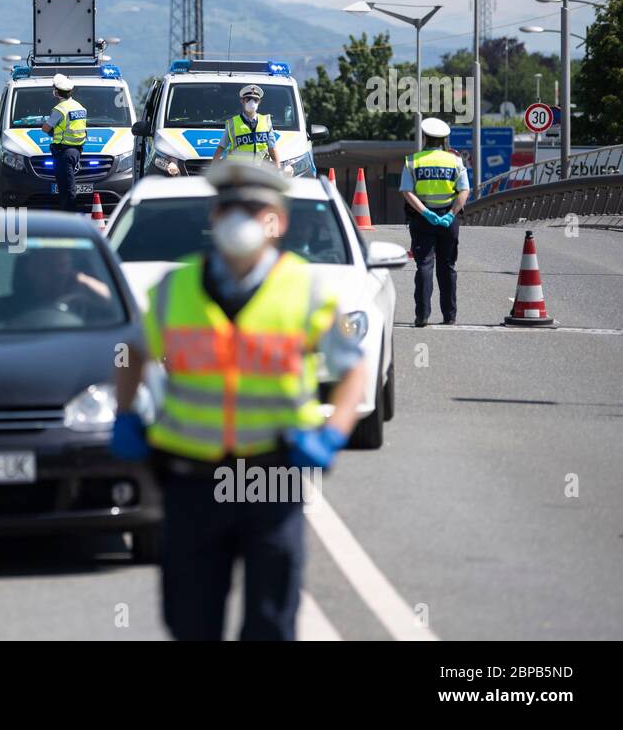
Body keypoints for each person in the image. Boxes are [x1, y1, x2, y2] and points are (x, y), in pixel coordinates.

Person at [111, 161, 367, 641]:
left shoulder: (307, 289)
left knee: (271, 619)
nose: (239, 218)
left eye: (253, 209)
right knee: (189, 620)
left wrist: (333, 435)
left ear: (278, 221)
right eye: (229, 207)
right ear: (214, 215)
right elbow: (132, 352)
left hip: (272, 475)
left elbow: (353, 367)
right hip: (191, 478)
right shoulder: (175, 287)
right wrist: (125, 416)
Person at [400, 116, 469, 327]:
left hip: (422, 219)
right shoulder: (455, 161)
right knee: (447, 266)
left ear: (425, 137)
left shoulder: (413, 161)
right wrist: (451, 214)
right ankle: (449, 316)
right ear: (444, 140)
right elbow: (464, 191)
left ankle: (422, 315)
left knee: (424, 265)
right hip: (449, 219)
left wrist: (425, 212)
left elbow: (407, 191)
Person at [40, 73, 87, 211]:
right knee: (69, 183)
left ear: (56, 92)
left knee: (66, 187)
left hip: (64, 152)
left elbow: (45, 128)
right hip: (77, 150)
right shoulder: (79, 106)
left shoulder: (59, 109)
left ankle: (69, 213)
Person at [212, 84, 279, 168]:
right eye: (248, 99)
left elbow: (272, 149)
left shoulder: (266, 121)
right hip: (238, 171)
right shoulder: (232, 123)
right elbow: (221, 148)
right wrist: (213, 168)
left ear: (259, 102)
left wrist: (278, 169)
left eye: (255, 99)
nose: (252, 102)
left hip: (260, 170)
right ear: (242, 101)